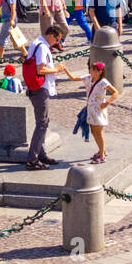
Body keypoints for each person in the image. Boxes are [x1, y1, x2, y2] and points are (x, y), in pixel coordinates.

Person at [25, 24, 82, 170]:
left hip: (36, 87)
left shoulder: (36, 43)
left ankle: (41, 154)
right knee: (42, 123)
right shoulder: (43, 47)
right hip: (40, 88)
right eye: (57, 39)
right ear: (51, 35)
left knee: (44, 121)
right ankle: (33, 159)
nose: (57, 43)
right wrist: (56, 69)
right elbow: (40, 69)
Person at [84, 61, 120, 163]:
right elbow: (75, 78)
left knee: (98, 132)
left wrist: (107, 102)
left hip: (98, 110)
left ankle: (102, 155)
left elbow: (115, 92)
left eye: (93, 69)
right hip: (91, 109)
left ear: (99, 72)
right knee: (94, 131)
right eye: (90, 69)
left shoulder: (103, 82)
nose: (90, 70)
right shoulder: (90, 79)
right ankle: (101, 150)